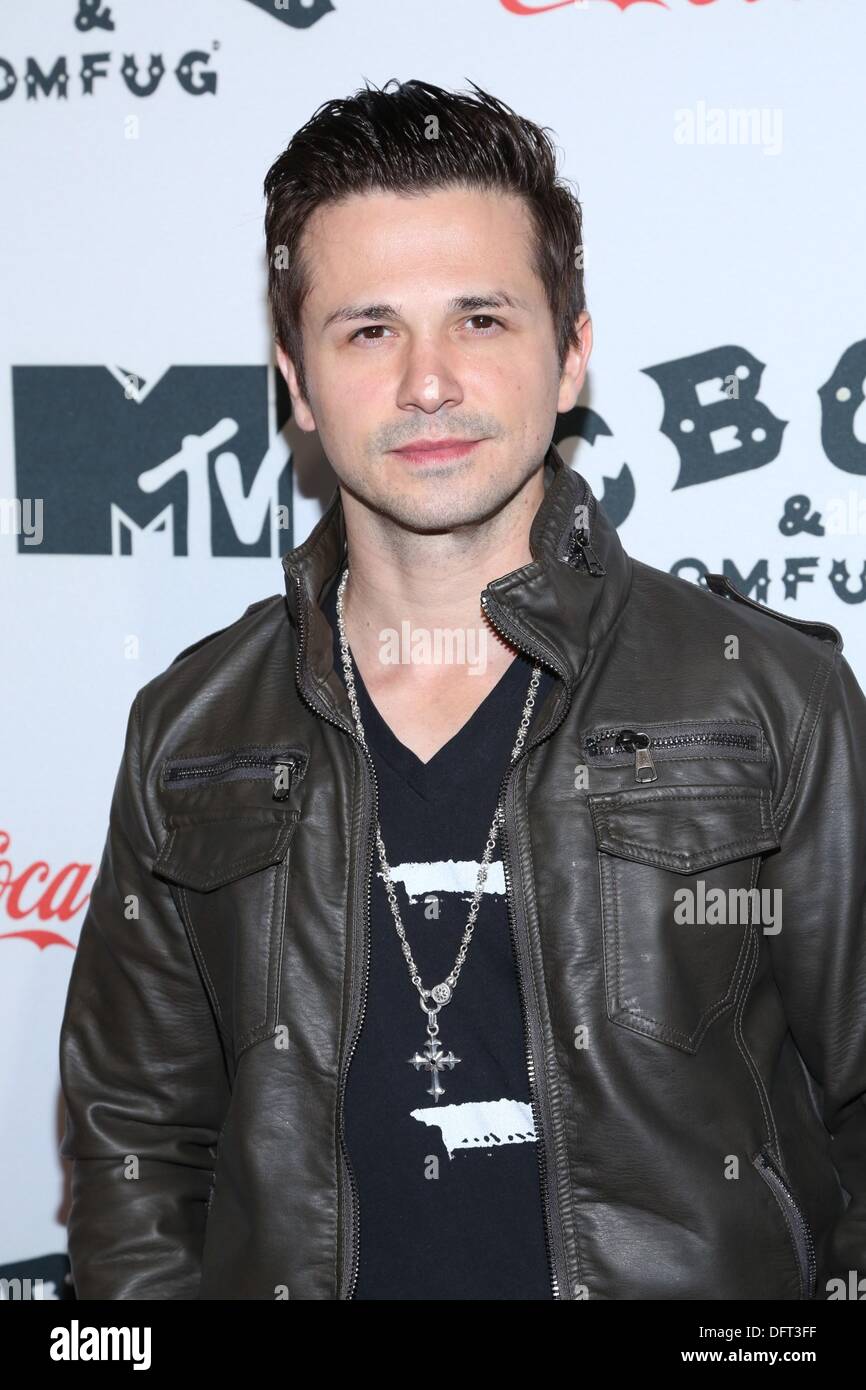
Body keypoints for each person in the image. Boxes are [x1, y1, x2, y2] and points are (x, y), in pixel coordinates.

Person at [59, 78, 866, 1301]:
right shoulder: (193, 730)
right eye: (368, 329)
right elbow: (135, 1143)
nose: (427, 382)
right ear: (296, 379)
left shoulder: (769, 696)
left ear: (570, 354)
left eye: (480, 319)